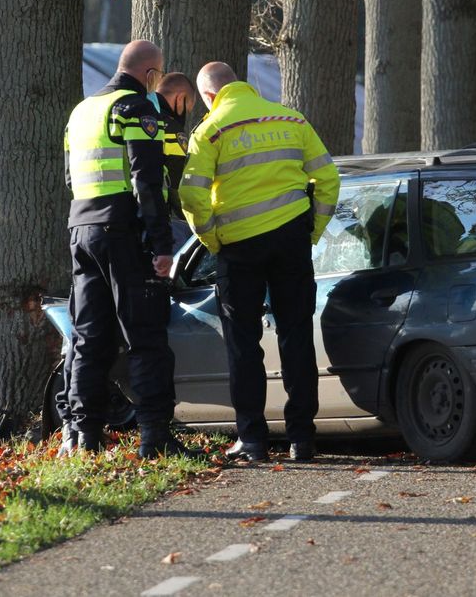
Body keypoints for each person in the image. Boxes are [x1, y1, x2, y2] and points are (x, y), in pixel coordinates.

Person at [179, 62, 340, 462]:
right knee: (296, 336)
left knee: (243, 344)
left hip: (239, 248)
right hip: (291, 241)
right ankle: (302, 439)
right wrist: (312, 231)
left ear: (209, 96)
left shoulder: (210, 131)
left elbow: (192, 195)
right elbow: (328, 178)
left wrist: (213, 239)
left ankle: (253, 441)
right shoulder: (291, 119)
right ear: (240, 85)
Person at [62, 39, 200, 458]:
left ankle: (84, 436)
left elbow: (70, 178)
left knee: (89, 337)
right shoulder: (135, 108)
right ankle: (154, 437)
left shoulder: (82, 111)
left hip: (81, 229)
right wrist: (162, 245)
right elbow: (146, 180)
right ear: (151, 75)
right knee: (146, 337)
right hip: (123, 232)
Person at [154, 72, 196, 222]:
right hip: (155, 214)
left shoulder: (137, 115)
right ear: (180, 98)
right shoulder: (172, 129)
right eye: (187, 110)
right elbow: (177, 188)